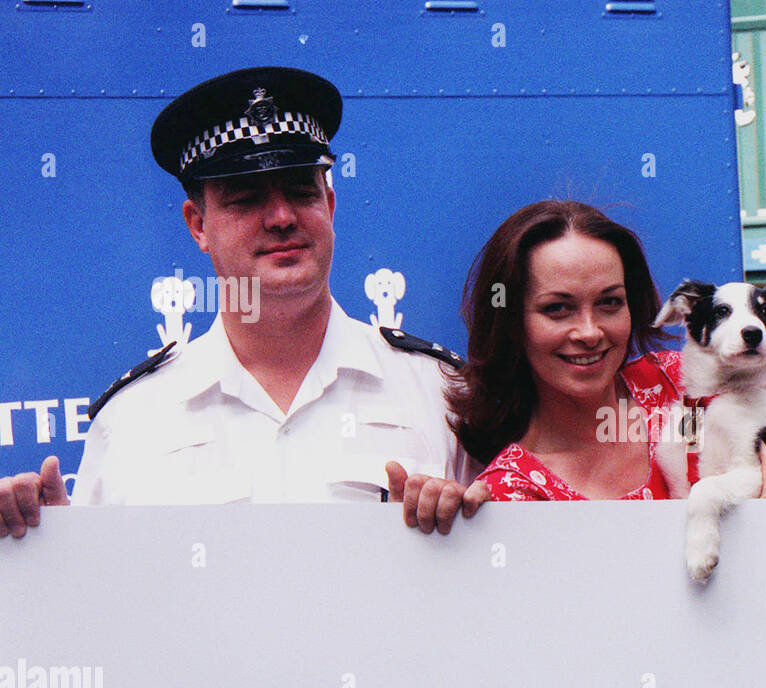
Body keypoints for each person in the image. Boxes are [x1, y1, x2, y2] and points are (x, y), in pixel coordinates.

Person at [0, 66, 483, 538]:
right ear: (199, 225)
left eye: (301, 190)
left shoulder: (440, 394)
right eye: (245, 199)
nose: (280, 217)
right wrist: (54, 550)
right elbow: (105, 600)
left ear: (330, 206)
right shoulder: (131, 421)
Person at [448, 200, 766, 500]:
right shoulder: (512, 490)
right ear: (512, 322)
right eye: (557, 309)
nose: (589, 331)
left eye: (609, 303)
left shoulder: (679, 387)